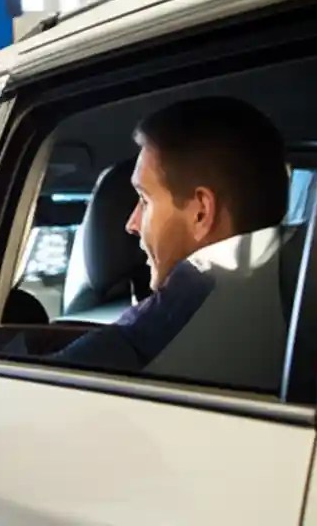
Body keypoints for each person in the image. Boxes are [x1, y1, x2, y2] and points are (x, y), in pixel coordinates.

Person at [54, 96, 289, 372]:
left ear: (200, 213)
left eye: (145, 200)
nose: (132, 223)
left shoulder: (130, 349)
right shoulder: (302, 311)